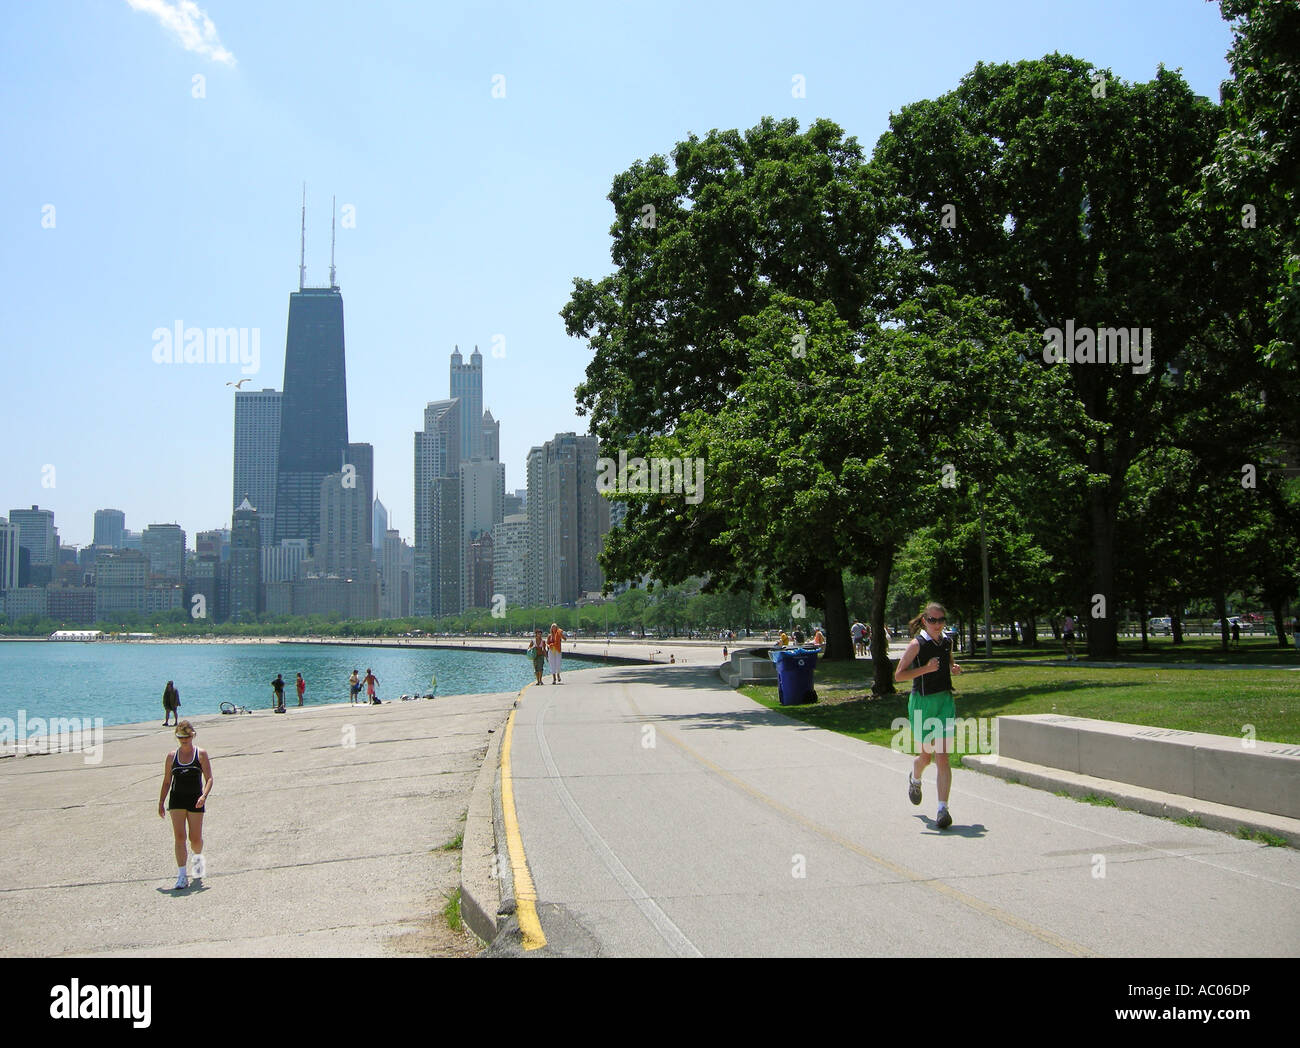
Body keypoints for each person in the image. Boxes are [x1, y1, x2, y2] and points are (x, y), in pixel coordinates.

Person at [896, 602, 964, 831]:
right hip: (922, 704)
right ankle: (915, 778)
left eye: (941, 619)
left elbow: (947, 660)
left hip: (944, 701)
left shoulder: (947, 642)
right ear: (925, 621)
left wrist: (953, 668)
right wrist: (925, 669)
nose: (938, 624)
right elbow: (899, 675)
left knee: (942, 756)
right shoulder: (917, 644)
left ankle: (942, 809)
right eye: (933, 620)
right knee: (926, 757)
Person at [157, 720, 212, 890]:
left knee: (195, 839)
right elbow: (167, 781)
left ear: (193, 735)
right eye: (181, 737)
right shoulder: (171, 756)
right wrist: (161, 802)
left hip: (196, 799)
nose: (184, 740)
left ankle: (198, 861)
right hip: (176, 800)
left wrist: (204, 796)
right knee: (179, 838)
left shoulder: (201, 754)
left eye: (187, 736)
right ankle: (181, 876)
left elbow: (209, 778)